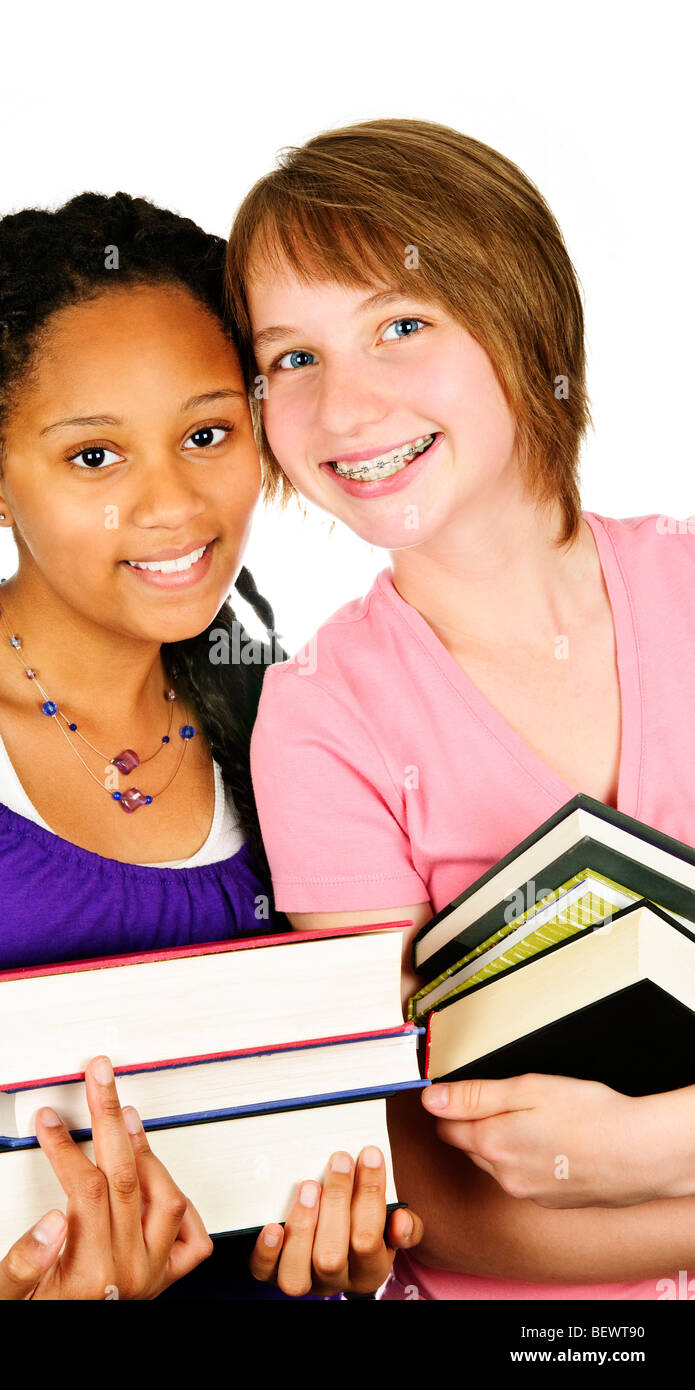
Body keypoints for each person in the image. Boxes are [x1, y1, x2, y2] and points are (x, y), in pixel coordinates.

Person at [0, 191, 421, 1300]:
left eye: (207, 435)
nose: (171, 505)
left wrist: (329, 1255)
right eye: (94, 456)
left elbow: (314, 1110)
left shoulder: (290, 732)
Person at [225, 118, 695, 1299]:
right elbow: (414, 1185)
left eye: (399, 325)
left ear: (522, 315)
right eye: (291, 357)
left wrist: (665, 1147)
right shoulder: (324, 722)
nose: (342, 409)